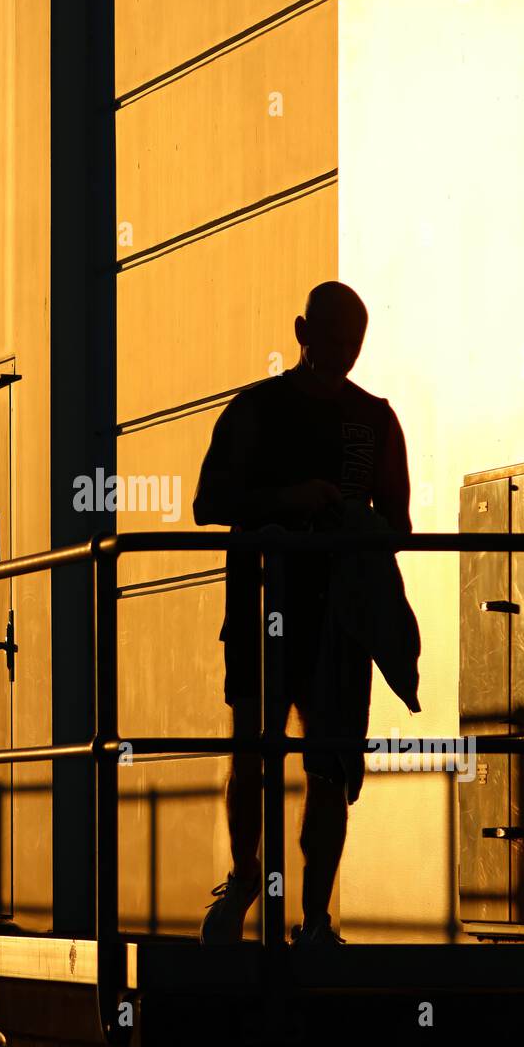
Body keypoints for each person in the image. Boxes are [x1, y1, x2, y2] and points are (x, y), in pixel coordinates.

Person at [193, 281, 412, 949]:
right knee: (264, 753)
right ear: (302, 333)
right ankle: (255, 883)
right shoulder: (262, 411)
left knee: (322, 763)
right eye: (336, 343)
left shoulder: (369, 419)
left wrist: (346, 522)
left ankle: (306, 913)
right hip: (270, 609)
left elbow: (398, 523)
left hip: (331, 618)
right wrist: (292, 500)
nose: (344, 356)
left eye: (352, 346)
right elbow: (208, 502)